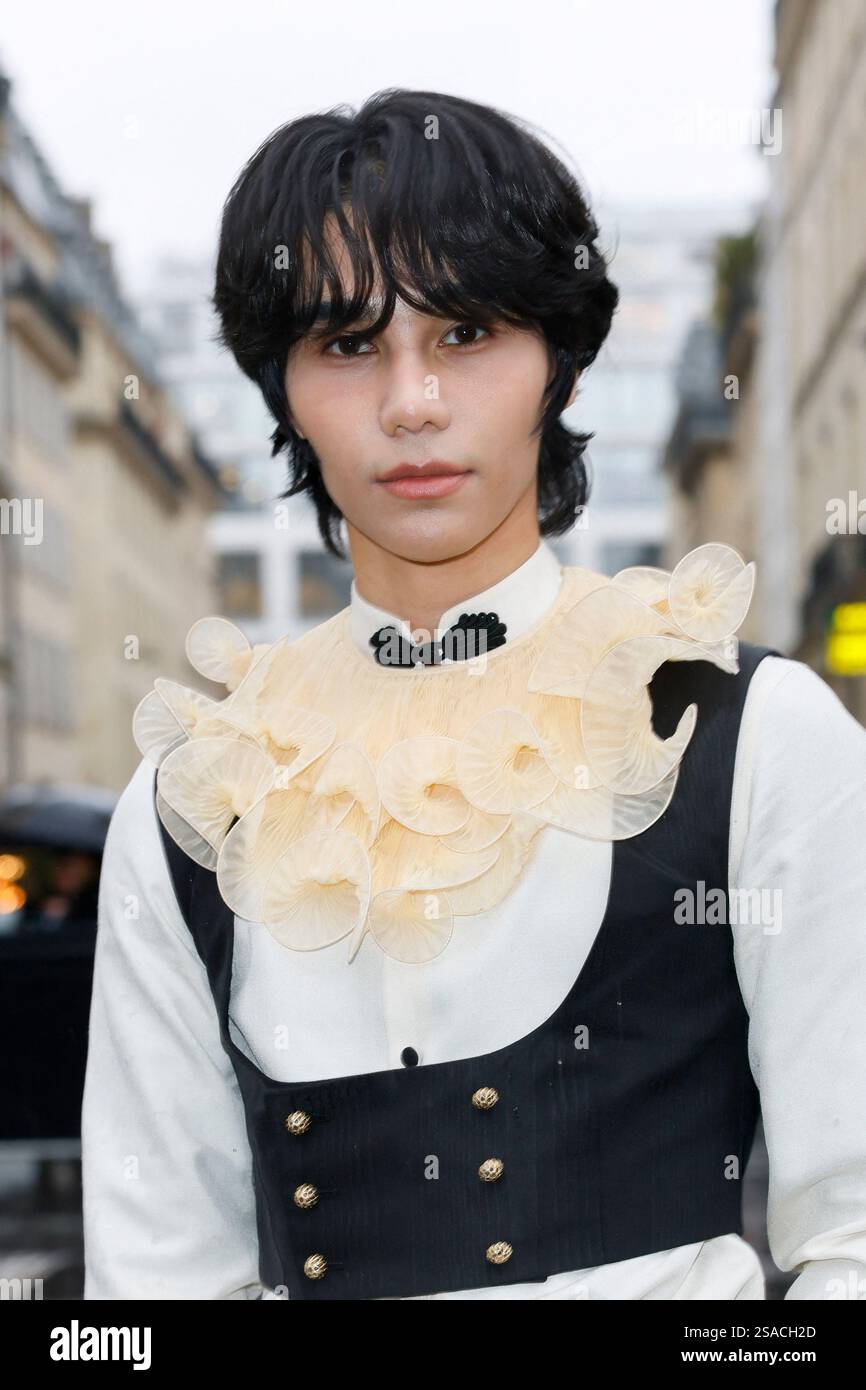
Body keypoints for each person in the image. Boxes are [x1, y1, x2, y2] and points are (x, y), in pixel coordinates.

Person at [82, 88, 866, 1301]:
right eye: (348, 345)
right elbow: (155, 1280)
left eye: (465, 332)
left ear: (554, 356)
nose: (412, 403)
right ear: (280, 384)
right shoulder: (195, 799)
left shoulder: (751, 735)